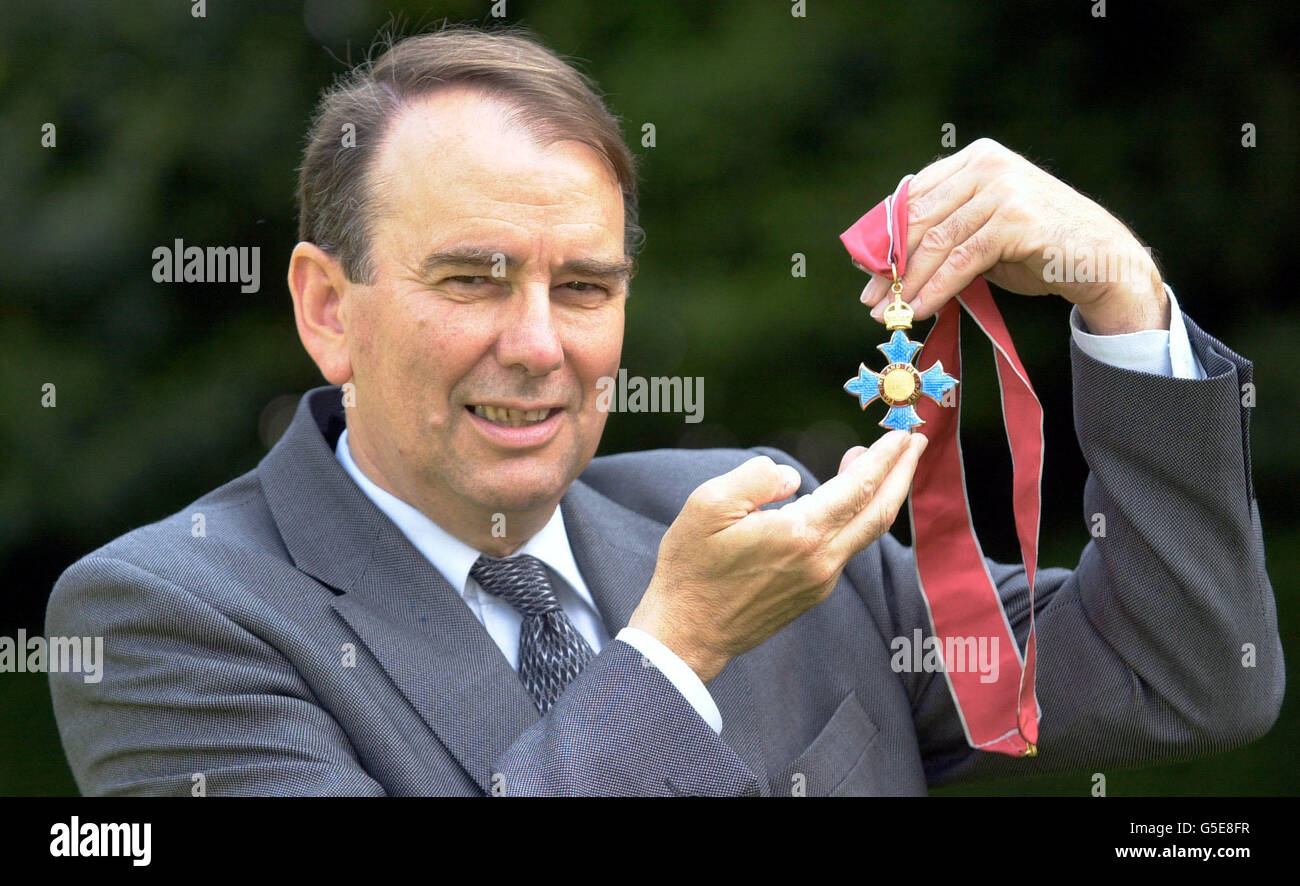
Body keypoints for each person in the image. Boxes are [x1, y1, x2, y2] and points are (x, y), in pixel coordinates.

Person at [47, 25, 1282, 796]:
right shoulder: (167, 618)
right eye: (472, 277)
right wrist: (673, 654)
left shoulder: (777, 527)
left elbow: (1183, 679)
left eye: (583, 286)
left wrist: (1125, 296)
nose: (537, 345)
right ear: (327, 309)